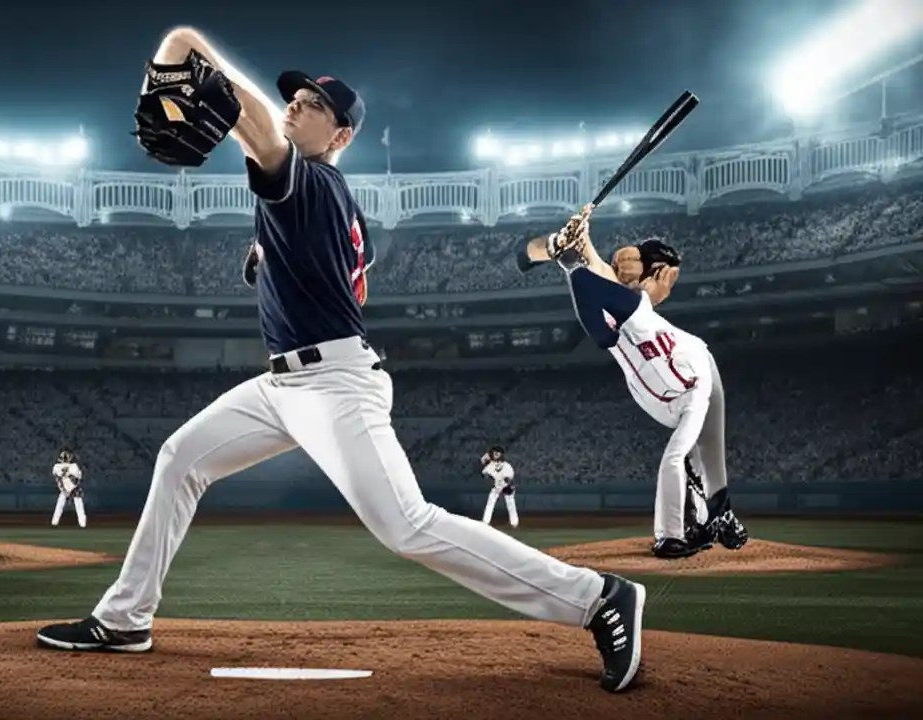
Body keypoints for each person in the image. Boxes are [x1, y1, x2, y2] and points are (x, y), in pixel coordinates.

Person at [36, 26, 647, 694]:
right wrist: (273, 261)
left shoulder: (309, 183)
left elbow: (255, 126)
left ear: (341, 136)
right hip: (282, 384)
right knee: (180, 457)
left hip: (333, 385)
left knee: (407, 526)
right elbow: (358, 274)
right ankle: (126, 618)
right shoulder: (330, 202)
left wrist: (187, 49)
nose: (295, 106)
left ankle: (598, 597)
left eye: (313, 104)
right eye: (293, 97)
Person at [546, 205, 748, 558]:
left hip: (695, 381)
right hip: (665, 391)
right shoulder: (627, 315)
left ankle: (681, 531)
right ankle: (713, 518)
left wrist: (573, 259)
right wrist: (577, 252)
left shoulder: (635, 306)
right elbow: (595, 291)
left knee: (685, 456)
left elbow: (593, 285)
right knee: (694, 460)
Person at [480, 445, 519, 527]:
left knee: (510, 502)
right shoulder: (490, 465)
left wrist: (509, 484)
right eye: (494, 453)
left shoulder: (506, 466)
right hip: (496, 485)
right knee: (491, 502)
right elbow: (484, 474)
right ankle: (485, 522)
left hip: (505, 485)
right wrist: (484, 461)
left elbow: (509, 479)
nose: (495, 455)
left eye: (497, 453)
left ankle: (514, 522)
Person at [51, 447, 86, 528]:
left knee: (59, 505)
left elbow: (58, 479)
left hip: (64, 487)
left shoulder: (56, 467)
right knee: (79, 506)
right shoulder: (74, 466)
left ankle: (54, 523)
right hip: (72, 487)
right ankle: (82, 524)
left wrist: (64, 490)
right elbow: (78, 478)